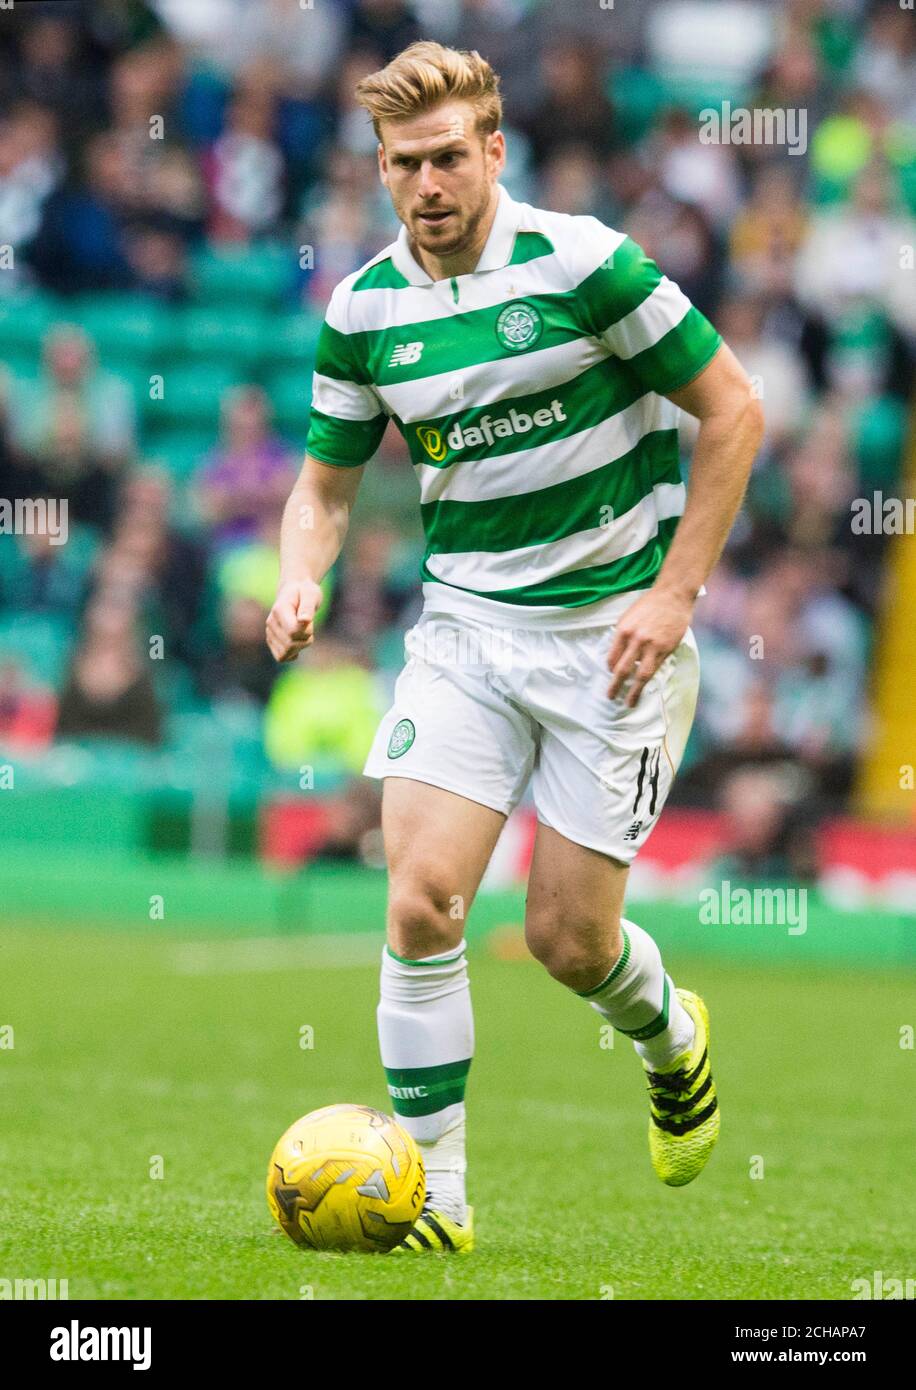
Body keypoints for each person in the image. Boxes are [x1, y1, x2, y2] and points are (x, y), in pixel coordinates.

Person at [266, 42, 764, 1254]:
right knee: (423, 902)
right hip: (467, 637)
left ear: (494, 150)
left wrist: (677, 594)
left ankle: (669, 1037)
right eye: (402, 165)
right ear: (380, 173)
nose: (427, 184)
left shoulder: (588, 264)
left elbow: (733, 409)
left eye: (447, 157)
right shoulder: (365, 310)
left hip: (615, 644)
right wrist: (299, 572)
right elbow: (325, 489)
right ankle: (436, 1198)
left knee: (566, 942)